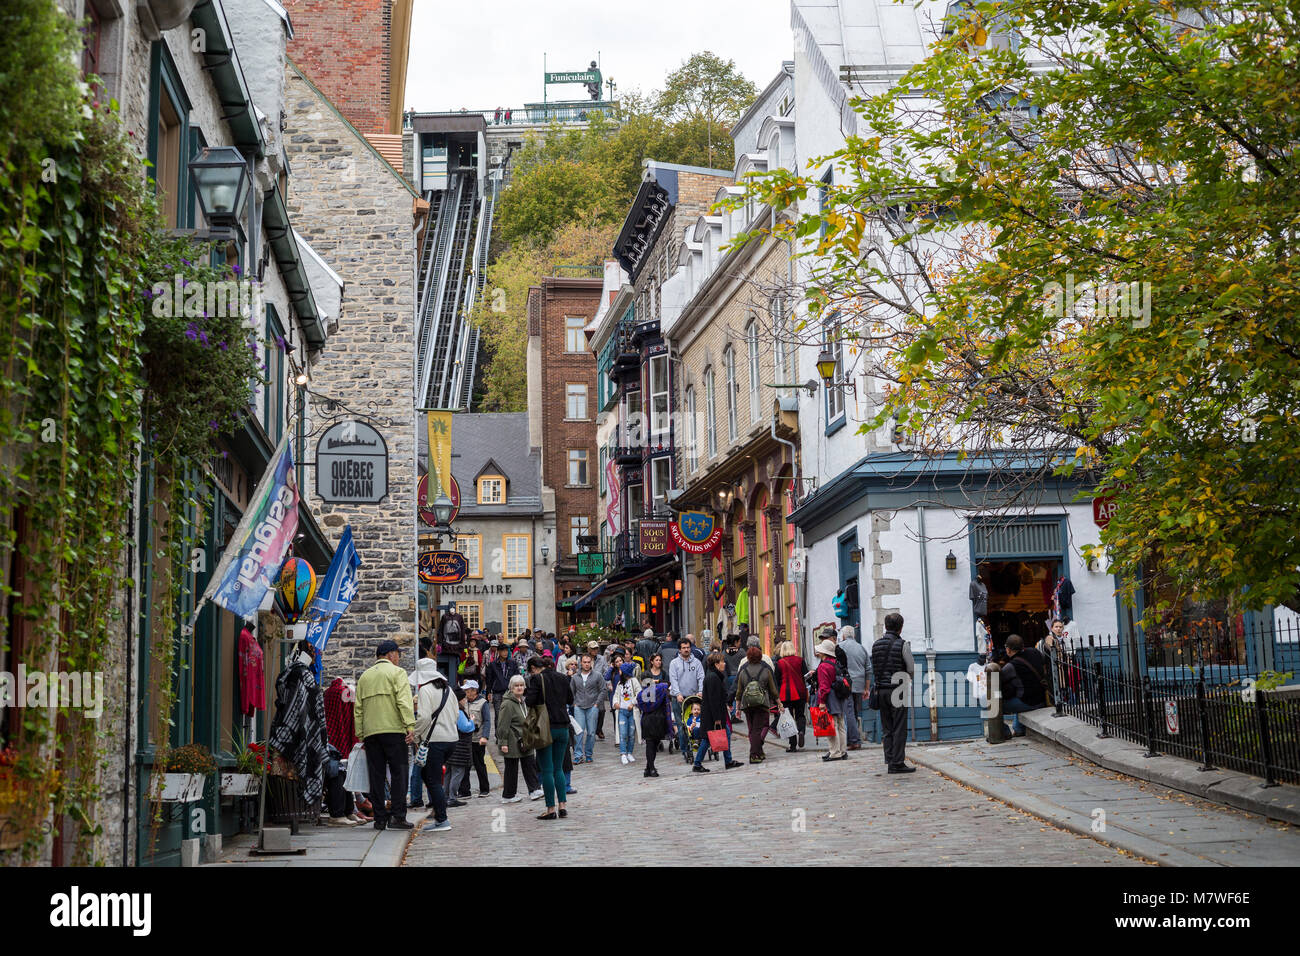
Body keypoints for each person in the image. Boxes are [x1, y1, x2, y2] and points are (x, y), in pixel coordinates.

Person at [354, 639, 416, 830]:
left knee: (376, 776)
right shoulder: (397, 673)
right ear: (390, 654)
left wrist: (361, 734)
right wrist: (410, 726)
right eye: (398, 654)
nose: (399, 658)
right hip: (394, 730)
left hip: (372, 733)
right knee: (399, 774)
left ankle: (380, 819)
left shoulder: (365, 677)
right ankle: (398, 816)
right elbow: (404, 701)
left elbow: (358, 709)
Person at [411, 638, 457, 832]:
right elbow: (455, 714)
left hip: (435, 741)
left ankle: (442, 819)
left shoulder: (425, 691)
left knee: (432, 780)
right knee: (433, 777)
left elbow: (422, 718)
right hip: (451, 739)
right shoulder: (448, 690)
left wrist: (414, 735)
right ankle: (439, 816)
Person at [525, 655, 573, 819]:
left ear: (534, 668)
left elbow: (529, 701)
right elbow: (570, 699)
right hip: (563, 726)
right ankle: (563, 806)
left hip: (546, 727)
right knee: (559, 768)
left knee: (547, 770)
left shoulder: (537, 679)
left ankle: (551, 809)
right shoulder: (562, 677)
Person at [872, 612, 916, 773]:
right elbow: (911, 668)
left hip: (881, 690)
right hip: (898, 689)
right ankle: (897, 762)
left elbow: (874, 667)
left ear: (886, 626)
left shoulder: (876, 645)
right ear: (900, 627)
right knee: (899, 727)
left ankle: (890, 759)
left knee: (887, 727)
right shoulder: (903, 644)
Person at [693, 652, 744, 772]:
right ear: (716, 664)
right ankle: (698, 763)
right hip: (713, 716)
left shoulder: (714, 676)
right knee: (708, 739)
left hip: (714, 714)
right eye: (722, 661)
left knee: (722, 735)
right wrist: (717, 718)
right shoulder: (713, 678)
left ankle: (728, 761)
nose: (724, 663)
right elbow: (713, 700)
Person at [496, 674, 541, 802]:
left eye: (521, 685)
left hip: (525, 739)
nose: (519, 688)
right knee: (511, 768)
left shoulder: (523, 701)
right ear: (511, 688)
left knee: (529, 763)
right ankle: (508, 795)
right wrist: (503, 742)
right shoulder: (508, 704)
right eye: (516, 686)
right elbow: (502, 725)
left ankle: (534, 789)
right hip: (512, 740)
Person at [735, 637, 781, 763]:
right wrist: (779, 704)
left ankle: (758, 752)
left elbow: (739, 691)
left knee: (752, 729)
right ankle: (754, 754)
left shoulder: (743, 671)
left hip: (747, 704)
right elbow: (773, 690)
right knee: (758, 729)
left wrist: (737, 708)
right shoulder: (765, 670)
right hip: (762, 703)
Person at [999, 633, 1050, 736]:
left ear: (1008, 649)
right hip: (1042, 699)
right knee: (1021, 691)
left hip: (1029, 703)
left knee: (995, 705)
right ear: (1022, 646)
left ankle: (1004, 732)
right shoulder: (1035, 651)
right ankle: (1018, 729)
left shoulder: (1011, 666)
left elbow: (998, 680)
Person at [669, 638, 705, 762]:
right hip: (679, 698)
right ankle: (685, 749)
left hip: (693, 698)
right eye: (684, 648)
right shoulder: (674, 663)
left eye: (688, 647)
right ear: (679, 649)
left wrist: (701, 691)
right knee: (681, 724)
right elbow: (673, 680)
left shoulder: (697, 662)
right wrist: (678, 693)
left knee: (695, 721)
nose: (686, 649)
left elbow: (701, 677)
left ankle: (697, 744)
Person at [837, 625, 872, 750]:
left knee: (848, 713)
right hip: (859, 684)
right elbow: (868, 669)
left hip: (846, 684)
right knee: (854, 712)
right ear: (854, 635)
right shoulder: (861, 648)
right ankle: (853, 737)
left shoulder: (840, 647)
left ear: (843, 636)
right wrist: (866, 688)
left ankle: (854, 740)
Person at [814, 639, 850, 762]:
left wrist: (822, 701)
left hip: (830, 698)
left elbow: (824, 686)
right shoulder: (835, 663)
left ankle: (835, 752)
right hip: (839, 697)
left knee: (831, 725)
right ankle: (842, 751)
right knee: (840, 725)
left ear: (824, 652)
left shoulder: (824, 666)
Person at [773, 641, 809, 752]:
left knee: (788, 719)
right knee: (800, 715)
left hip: (785, 694)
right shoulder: (800, 660)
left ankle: (792, 745)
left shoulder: (779, 663)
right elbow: (805, 675)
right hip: (800, 692)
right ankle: (801, 731)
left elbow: (776, 681)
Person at [636, 675, 674, 777]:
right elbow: (667, 687)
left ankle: (648, 768)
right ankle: (651, 768)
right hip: (658, 720)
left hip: (646, 720)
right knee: (653, 745)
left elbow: (639, 703)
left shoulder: (643, 695)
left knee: (650, 745)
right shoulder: (662, 689)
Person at [571, 652, 603, 763]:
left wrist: (597, 704)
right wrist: (574, 703)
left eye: (588, 662)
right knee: (578, 732)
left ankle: (589, 753)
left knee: (591, 732)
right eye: (584, 662)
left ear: (591, 663)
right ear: (580, 663)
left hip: (592, 706)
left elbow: (603, 690)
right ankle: (578, 755)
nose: (586, 664)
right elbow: (571, 692)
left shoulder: (597, 675)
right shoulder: (575, 677)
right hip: (579, 706)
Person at [462, 680, 492, 796]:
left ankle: (484, 789)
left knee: (479, 764)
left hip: (477, 739)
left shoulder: (483, 703)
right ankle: (465, 791)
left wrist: (485, 736)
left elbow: (487, 721)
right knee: (465, 765)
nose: (465, 692)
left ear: (474, 691)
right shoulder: (464, 702)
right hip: (466, 739)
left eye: (467, 690)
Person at [610, 660, 642, 764]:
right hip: (622, 711)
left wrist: (633, 703)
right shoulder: (620, 683)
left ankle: (629, 752)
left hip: (632, 711)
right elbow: (615, 695)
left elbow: (639, 693)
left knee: (631, 733)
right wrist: (615, 703)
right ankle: (623, 753)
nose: (619, 671)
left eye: (621, 670)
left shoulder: (634, 681)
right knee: (623, 733)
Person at [484, 640, 518, 726]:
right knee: (498, 715)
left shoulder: (512, 663)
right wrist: (488, 692)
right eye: (503, 651)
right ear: (498, 652)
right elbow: (489, 679)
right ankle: (498, 736)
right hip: (497, 692)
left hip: (510, 692)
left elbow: (516, 676)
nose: (505, 653)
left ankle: (508, 735)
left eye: (506, 651)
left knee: (510, 715)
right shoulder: (493, 664)